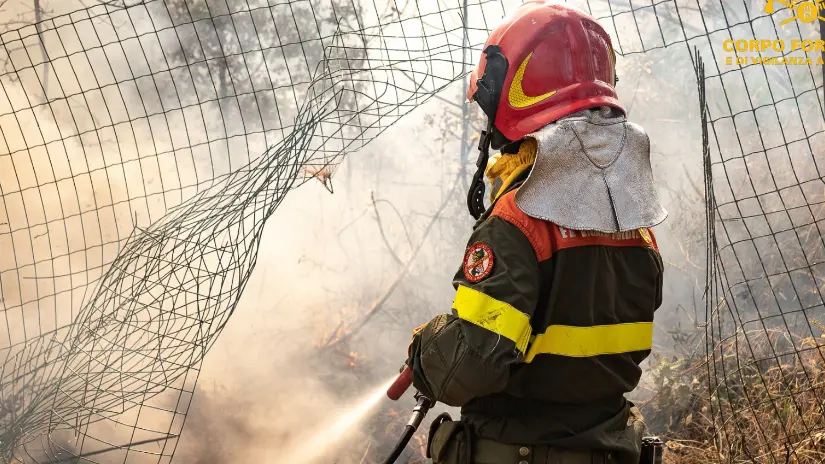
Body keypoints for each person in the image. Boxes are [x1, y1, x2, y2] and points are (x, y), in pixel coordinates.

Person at [404, 2, 667, 463]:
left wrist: (427, 349)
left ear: (513, 99)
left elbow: (471, 365)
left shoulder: (520, 219)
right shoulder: (632, 217)